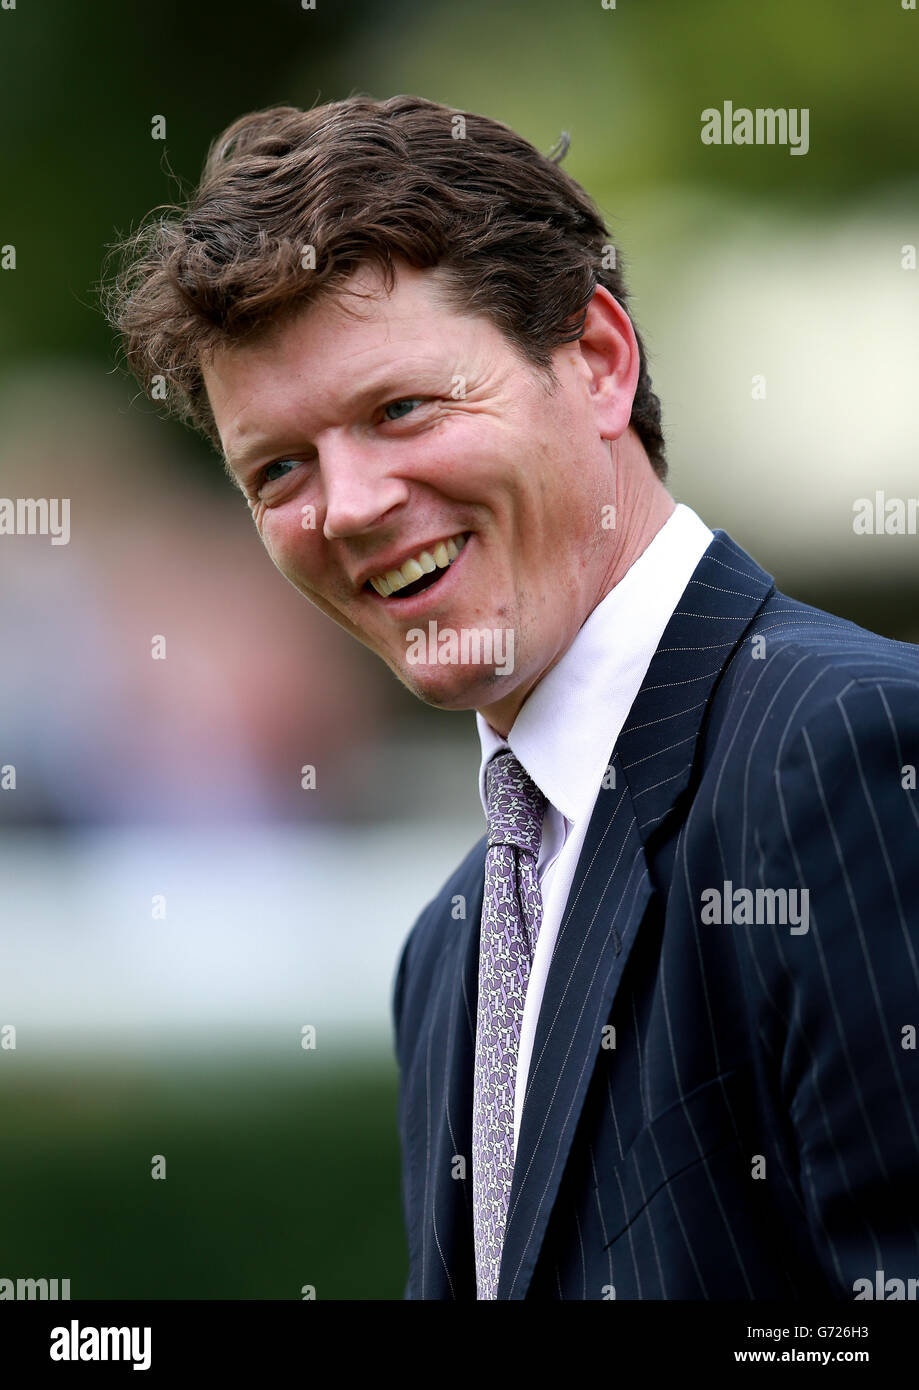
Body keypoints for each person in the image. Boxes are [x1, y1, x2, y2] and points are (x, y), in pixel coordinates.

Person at [103, 94, 919, 1301]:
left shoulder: (846, 753)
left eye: (401, 409)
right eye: (279, 468)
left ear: (595, 359)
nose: (350, 506)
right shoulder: (452, 943)